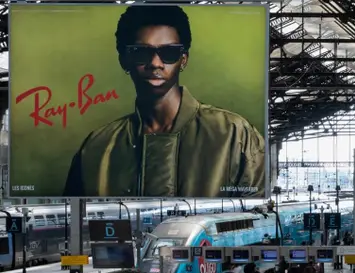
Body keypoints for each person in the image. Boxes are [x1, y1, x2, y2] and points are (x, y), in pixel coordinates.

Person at [65, 5, 264, 198]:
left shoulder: (234, 134)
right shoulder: (96, 147)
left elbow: (256, 212)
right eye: (141, 52)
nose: (155, 63)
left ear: (183, 59)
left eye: (169, 53)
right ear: (124, 60)